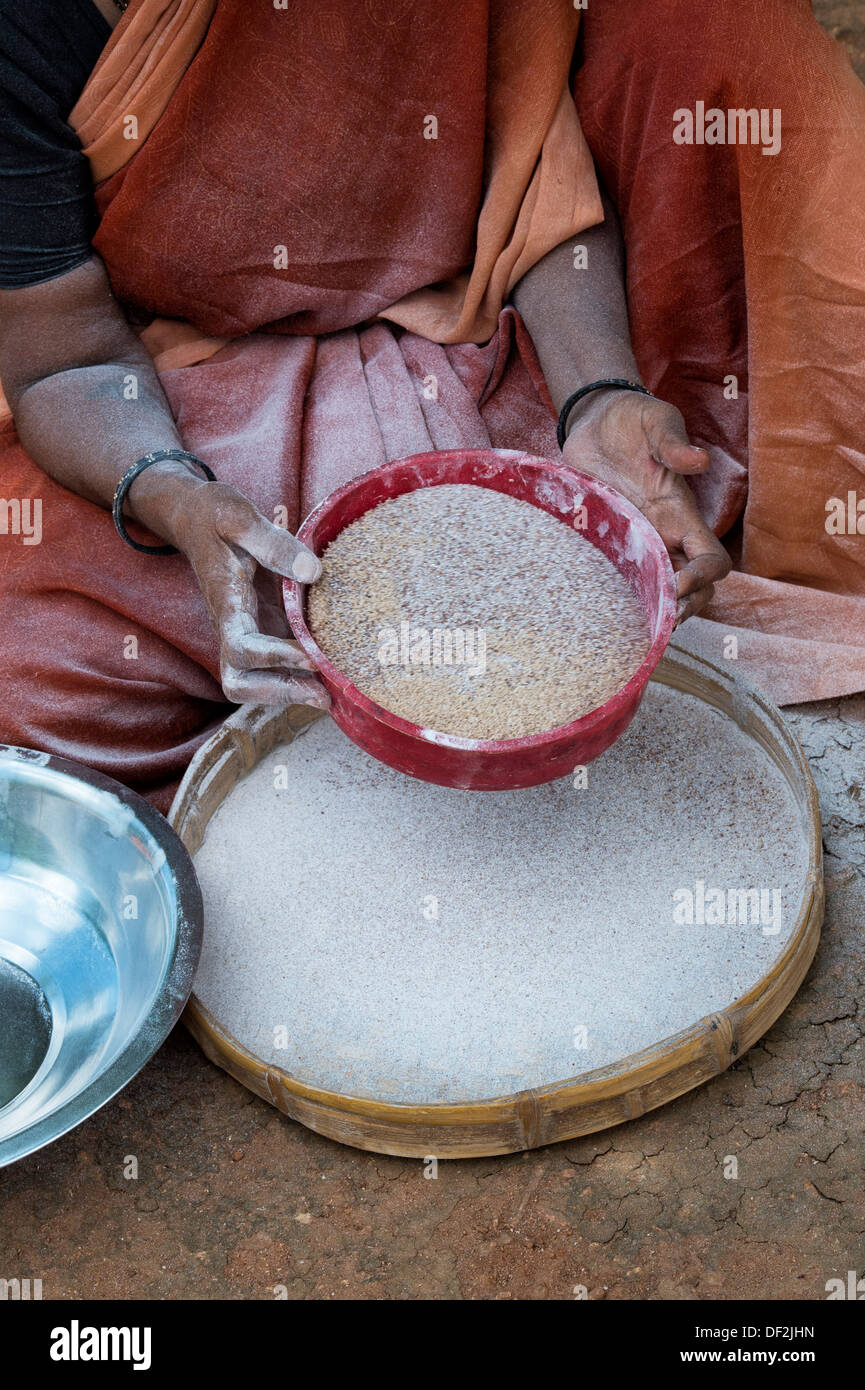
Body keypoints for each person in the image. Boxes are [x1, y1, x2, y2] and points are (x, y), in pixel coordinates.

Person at [0, 0, 862, 812]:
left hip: (500, 326)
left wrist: (598, 394)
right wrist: (172, 496)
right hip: (180, 386)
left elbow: (537, 192)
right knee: (34, 681)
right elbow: (63, 363)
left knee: (726, 33)